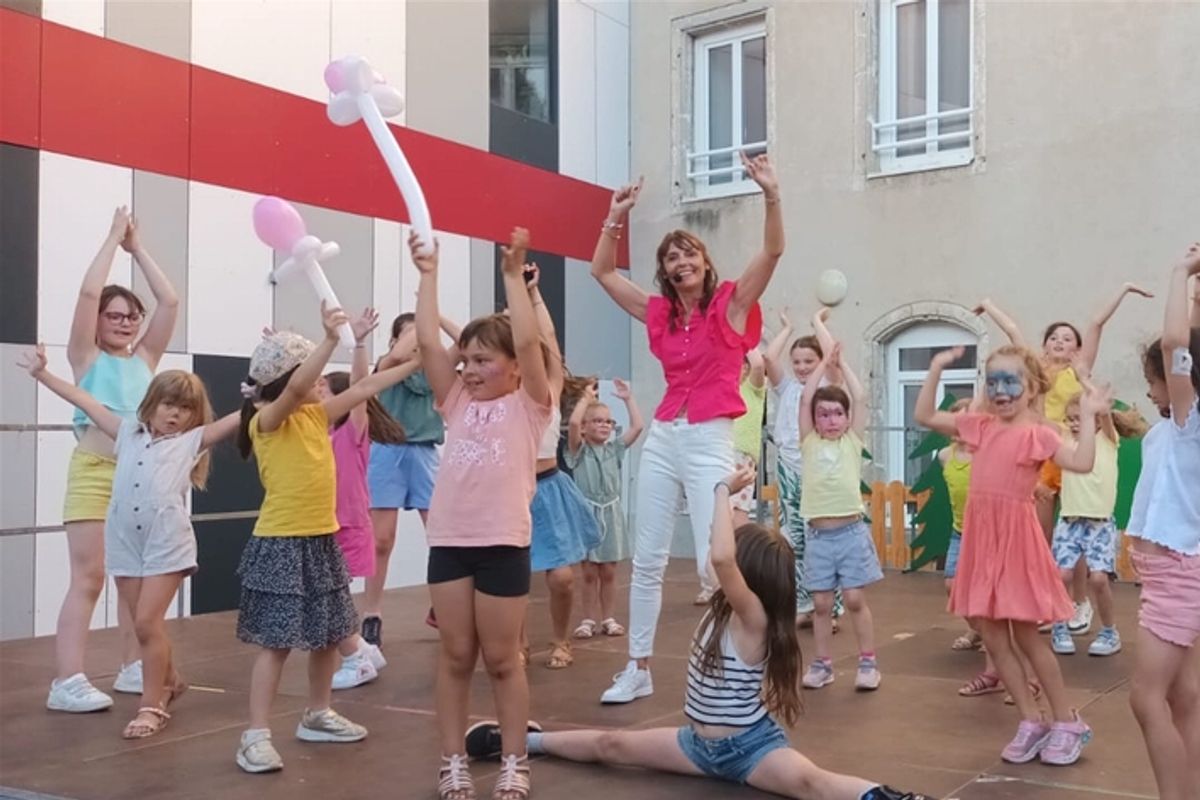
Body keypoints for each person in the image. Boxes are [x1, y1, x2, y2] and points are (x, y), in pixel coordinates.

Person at [463, 464, 932, 800]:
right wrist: (736, 494)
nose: (717, 549)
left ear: (748, 575)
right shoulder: (727, 604)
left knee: (812, 784)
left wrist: (720, 492)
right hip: (696, 745)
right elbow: (729, 549)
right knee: (612, 745)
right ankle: (526, 740)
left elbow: (724, 557)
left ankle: (895, 798)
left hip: (750, 750)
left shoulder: (756, 618)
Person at [590, 153, 784, 705]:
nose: (680, 261)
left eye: (687, 252)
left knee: (711, 559)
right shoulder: (659, 313)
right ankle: (638, 667)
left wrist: (770, 193)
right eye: (670, 258)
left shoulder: (732, 306)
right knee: (647, 558)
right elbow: (602, 273)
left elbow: (771, 251)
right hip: (665, 436)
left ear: (703, 260)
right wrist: (614, 216)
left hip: (709, 437)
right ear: (666, 272)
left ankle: (742, 650)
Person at [233, 304, 424, 774]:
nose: (319, 383)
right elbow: (299, 386)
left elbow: (364, 387)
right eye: (310, 376)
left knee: (327, 634)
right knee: (277, 644)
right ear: (283, 382)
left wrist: (421, 361)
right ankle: (254, 735)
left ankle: (317, 713)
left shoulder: (315, 416)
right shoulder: (268, 420)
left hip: (322, 539)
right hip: (281, 541)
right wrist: (330, 338)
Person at [916, 344, 1111, 766]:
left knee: (1026, 635)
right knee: (991, 633)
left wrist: (1092, 413)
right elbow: (925, 417)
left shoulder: (1038, 432)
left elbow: (1081, 461)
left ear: (1031, 386)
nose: (1001, 390)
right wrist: (934, 368)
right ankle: (1030, 720)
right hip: (981, 540)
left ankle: (1066, 721)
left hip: (1015, 540)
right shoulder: (981, 426)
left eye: (1010, 381)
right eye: (994, 381)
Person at [23, 350, 237, 737]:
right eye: (168, 404)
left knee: (145, 622)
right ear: (151, 404)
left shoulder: (190, 441)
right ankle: (171, 678)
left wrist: (271, 386)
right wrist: (43, 375)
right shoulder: (125, 433)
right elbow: (84, 400)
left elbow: (242, 418)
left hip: (165, 543)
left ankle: (152, 706)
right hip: (125, 541)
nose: (174, 414)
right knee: (144, 627)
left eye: (185, 409)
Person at [414, 229, 552, 800]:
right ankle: (453, 762)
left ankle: (514, 762)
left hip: (503, 543)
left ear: (514, 368)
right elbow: (426, 345)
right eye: (465, 360)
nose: (468, 369)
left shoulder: (532, 405)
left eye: (482, 360)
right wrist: (427, 275)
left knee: (502, 659)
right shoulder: (457, 403)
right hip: (450, 541)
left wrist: (512, 277)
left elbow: (528, 343)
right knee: (454, 655)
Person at [48, 207, 180, 713]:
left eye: (131, 316)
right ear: (98, 322)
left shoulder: (145, 360)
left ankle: (132, 666)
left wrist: (137, 249)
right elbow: (86, 294)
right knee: (89, 576)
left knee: (135, 576)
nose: (124, 323)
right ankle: (68, 679)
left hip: (140, 479)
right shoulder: (86, 358)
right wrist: (109, 239)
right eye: (114, 315)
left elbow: (169, 299)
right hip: (94, 472)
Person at [976, 283, 1151, 636]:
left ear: (1078, 348)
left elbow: (1097, 323)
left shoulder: (1080, 369)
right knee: (1043, 536)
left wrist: (1124, 290)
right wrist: (988, 305)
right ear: (1044, 345)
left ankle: (1080, 602)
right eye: (1054, 337)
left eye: (1067, 338)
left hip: (1072, 453)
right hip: (1043, 456)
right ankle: (1045, 601)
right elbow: (1012, 331)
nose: (1060, 342)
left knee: (1081, 525)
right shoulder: (1036, 370)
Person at [1127, 247, 1200, 800]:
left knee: (1146, 698)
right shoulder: (1176, 426)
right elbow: (1188, 343)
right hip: (1177, 571)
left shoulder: (1188, 419)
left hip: (1178, 574)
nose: (1152, 388)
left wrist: (1180, 271)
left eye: (1153, 378)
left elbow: (1179, 346)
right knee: (1185, 696)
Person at [319, 309, 414, 690]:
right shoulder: (316, 432)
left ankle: (357, 656)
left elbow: (361, 384)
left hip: (347, 523)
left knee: (331, 595)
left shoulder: (352, 431)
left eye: (324, 391)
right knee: (329, 593)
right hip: (322, 524)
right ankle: (362, 650)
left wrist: (357, 343)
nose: (317, 395)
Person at [362, 310, 461, 641]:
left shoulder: (436, 370)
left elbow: (465, 341)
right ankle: (372, 614)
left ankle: (442, 605)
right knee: (381, 539)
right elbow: (396, 355)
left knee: (441, 534)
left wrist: (435, 319)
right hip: (387, 451)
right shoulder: (387, 366)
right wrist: (416, 328)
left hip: (425, 452)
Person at [523, 262, 600, 670]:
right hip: (514, 491)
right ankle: (517, 643)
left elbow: (548, 340)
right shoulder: (503, 395)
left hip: (550, 487)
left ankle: (560, 638)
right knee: (512, 578)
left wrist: (534, 294)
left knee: (562, 577)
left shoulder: (549, 391)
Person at [796, 344, 884, 691]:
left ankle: (868, 662)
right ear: (815, 419)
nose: (830, 420)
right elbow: (805, 399)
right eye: (824, 414)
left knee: (855, 599)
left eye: (836, 414)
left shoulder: (851, 441)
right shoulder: (809, 443)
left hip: (850, 533)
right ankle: (822, 664)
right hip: (818, 537)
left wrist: (841, 363)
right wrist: (820, 367)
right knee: (820, 604)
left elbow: (860, 397)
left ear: (846, 419)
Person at [764, 307, 842, 628]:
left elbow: (834, 355)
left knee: (822, 537)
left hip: (817, 470)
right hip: (788, 467)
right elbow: (769, 359)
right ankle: (804, 602)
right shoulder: (787, 388)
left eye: (808, 361)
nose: (801, 367)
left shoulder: (825, 385)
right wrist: (786, 328)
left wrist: (817, 323)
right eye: (797, 361)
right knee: (794, 538)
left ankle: (832, 608)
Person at [1048, 394, 1137, 657]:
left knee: (1099, 579)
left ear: (1096, 419)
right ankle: (1059, 626)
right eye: (1071, 419)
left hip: (1100, 523)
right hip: (1070, 521)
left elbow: (1105, 416)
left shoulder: (1107, 440)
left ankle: (1109, 631)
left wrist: (1096, 398)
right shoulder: (1065, 440)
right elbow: (1042, 422)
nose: (1075, 424)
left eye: (1080, 418)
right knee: (1062, 576)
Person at [567, 379, 644, 640]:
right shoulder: (579, 451)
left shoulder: (615, 449)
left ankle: (608, 617)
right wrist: (586, 400)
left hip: (611, 512)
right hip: (588, 514)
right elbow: (575, 424)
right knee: (589, 572)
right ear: (587, 428)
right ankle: (588, 618)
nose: (604, 425)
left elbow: (637, 426)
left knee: (609, 571)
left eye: (608, 422)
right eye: (597, 421)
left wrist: (627, 398)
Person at [729, 349, 767, 529]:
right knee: (719, 511)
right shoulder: (721, 387)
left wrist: (744, 337)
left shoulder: (752, 388)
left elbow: (758, 365)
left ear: (745, 367)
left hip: (742, 457)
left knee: (738, 512)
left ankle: (741, 554)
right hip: (719, 450)